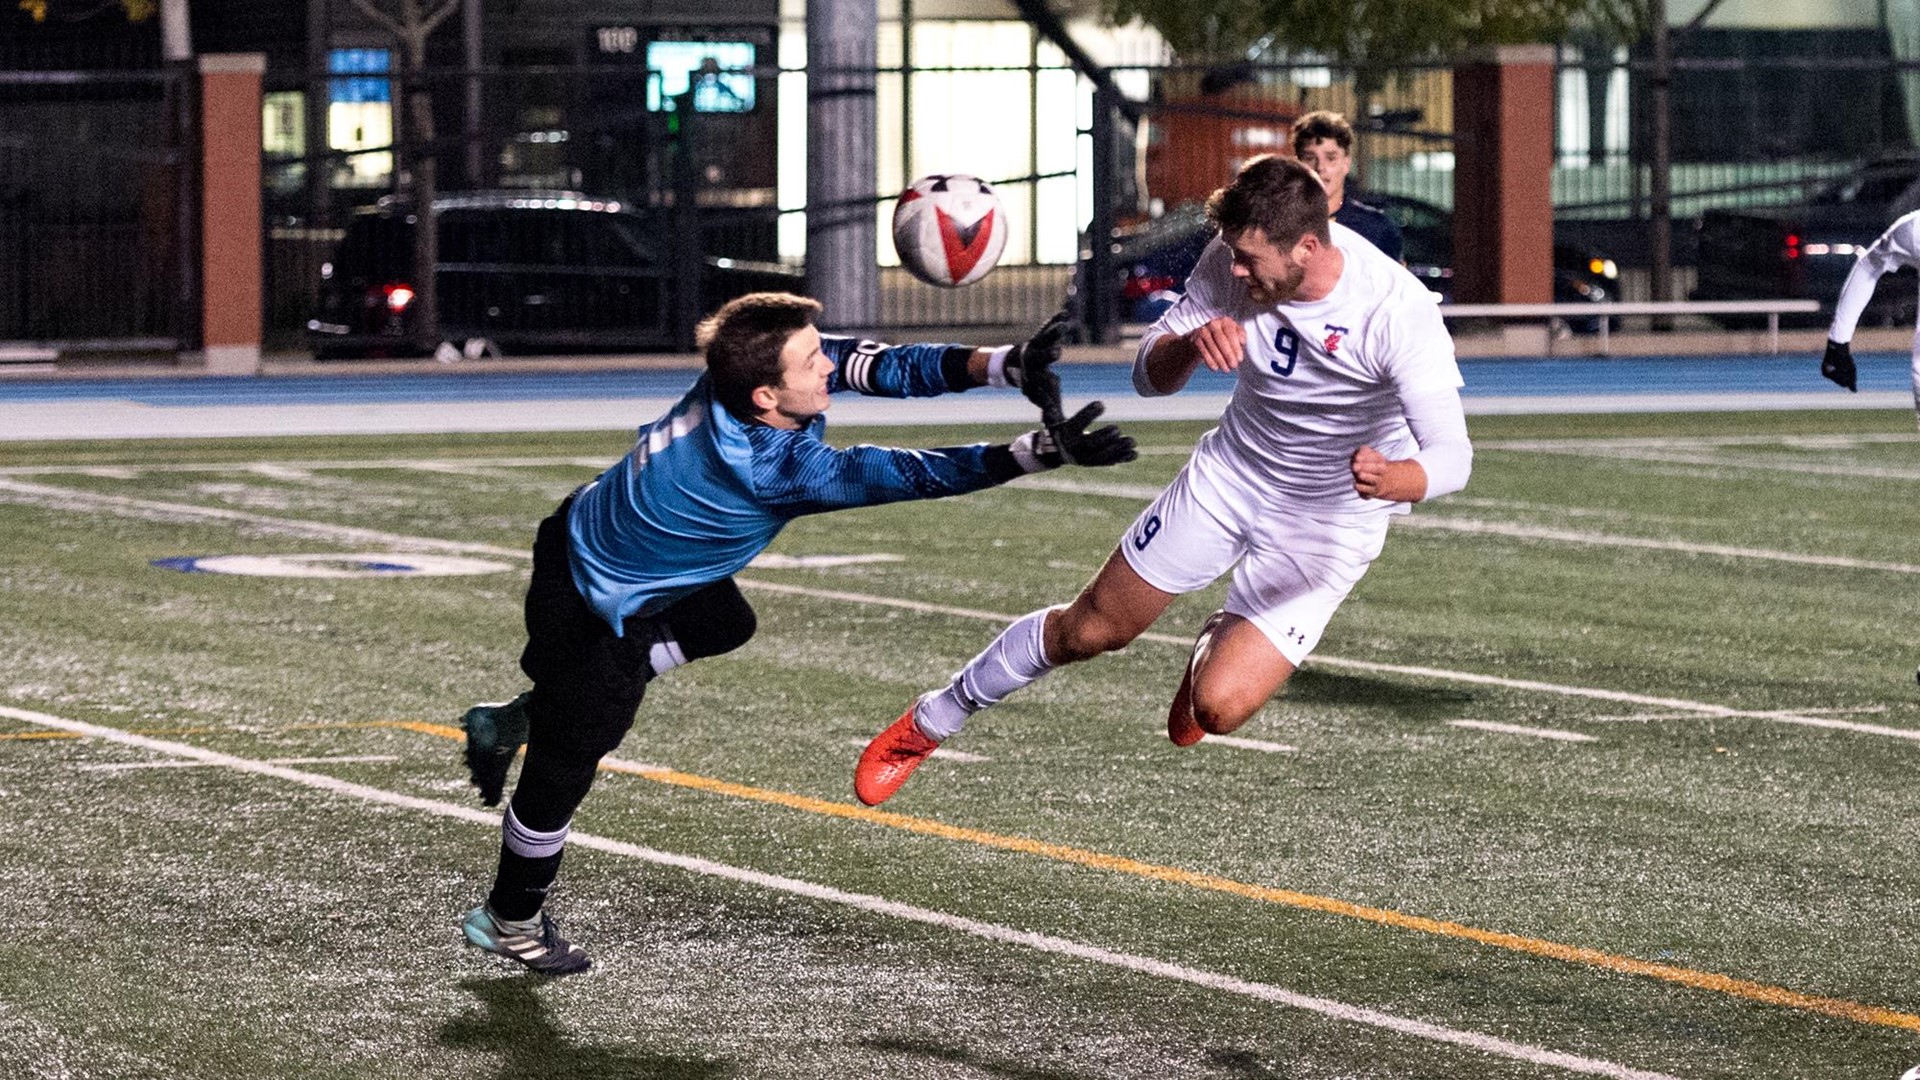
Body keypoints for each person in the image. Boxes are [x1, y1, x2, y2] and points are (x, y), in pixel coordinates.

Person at [458, 292, 1136, 974]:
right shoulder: (768, 465)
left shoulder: (748, 376)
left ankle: (524, 715)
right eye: (811, 363)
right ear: (765, 397)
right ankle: (509, 917)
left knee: (724, 620)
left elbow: (885, 367)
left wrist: (1004, 365)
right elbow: (900, 474)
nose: (827, 368)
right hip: (588, 605)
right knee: (565, 764)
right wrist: (1037, 451)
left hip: (593, 535)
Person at [854, 154, 1472, 807]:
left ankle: (1218, 638)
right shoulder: (1233, 256)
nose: (1235, 269)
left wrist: (1394, 478)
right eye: (1231, 253)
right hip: (1233, 476)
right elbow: (1148, 377)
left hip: (1330, 521)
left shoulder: (1396, 311)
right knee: (1091, 630)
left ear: (1308, 247)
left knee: (1218, 710)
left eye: (1250, 259)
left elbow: (1452, 457)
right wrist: (1190, 343)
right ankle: (928, 723)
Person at [1819, 206, 1920, 425]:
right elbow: (1869, 265)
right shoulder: (1914, 230)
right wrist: (1838, 342)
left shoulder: (1913, 229)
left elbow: (1868, 266)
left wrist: (1838, 341)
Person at [1290, 110, 1404, 262]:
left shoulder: (1376, 229)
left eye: (1331, 158)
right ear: (1297, 164)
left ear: (1346, 163)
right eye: (1310, 158)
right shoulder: (1279, 224)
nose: (1320, 167)